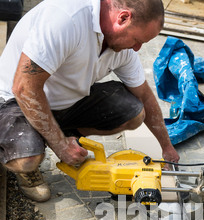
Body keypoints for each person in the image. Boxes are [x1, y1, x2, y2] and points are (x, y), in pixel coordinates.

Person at [0, 0, 180, 202]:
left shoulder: (123, 46)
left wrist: (167, 147)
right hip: (16, 101)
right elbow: (24, 87)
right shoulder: (66, 19)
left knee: (135, 112)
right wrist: (59, 144)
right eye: (137, 40)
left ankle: (57, 135)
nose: (137, 49)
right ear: (123, 18)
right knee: (27, 160)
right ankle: (33, 162)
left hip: (64, 102)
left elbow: (144, 95)